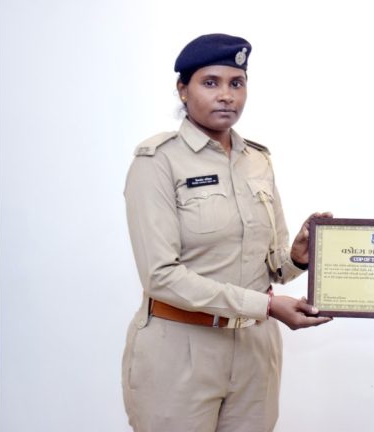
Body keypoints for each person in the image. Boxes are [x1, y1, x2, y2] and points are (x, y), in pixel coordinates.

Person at [121, 33, 332, 432]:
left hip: (255, 350)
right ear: (183, 90)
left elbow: (272, 266)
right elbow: (160, 276)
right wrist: (266, 306)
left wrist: (299, 257)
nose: (227, 96)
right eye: (210, 83)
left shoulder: (258, 160)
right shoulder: (157, 162)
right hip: (181, 348)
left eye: (237, 83)